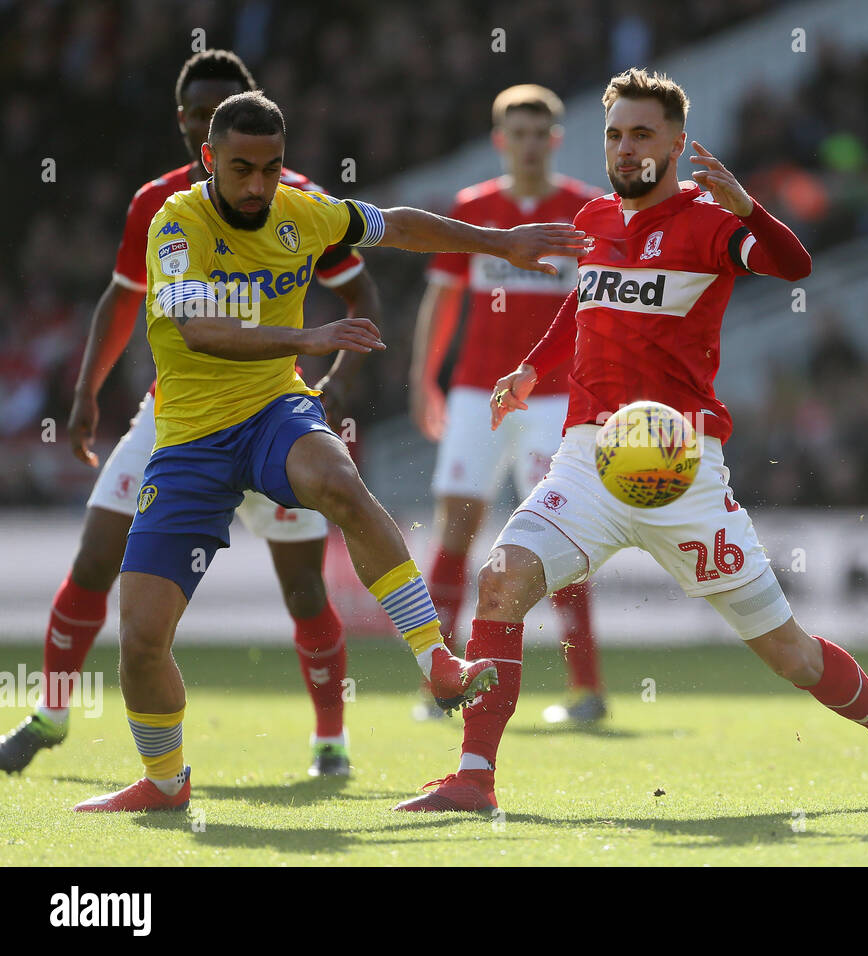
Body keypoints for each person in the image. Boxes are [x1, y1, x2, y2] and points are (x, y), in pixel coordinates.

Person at [395, 69, 868, 813]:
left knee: (791, 653)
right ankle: (474, 778)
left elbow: (792, 265)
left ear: (676, 142)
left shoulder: (707, 224)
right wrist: (529, 368)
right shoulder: (598, 222)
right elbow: (585, 304)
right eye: (614, 133)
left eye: (642, 133)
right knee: (503, 576)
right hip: (588, 460)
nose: (625, 147)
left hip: (684, 472)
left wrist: (750, 208)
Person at [72, 90, 585, 812]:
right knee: (141, 640)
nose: (258, 185)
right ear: (210, 160)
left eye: (272, 168)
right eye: (243, 169)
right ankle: (164, 783)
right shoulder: (176, 224)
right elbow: (197, 330)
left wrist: (500, 244)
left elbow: (397, 226)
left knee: (339, 482)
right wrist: (308, 340)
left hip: (272, 413)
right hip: (187, 440)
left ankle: (436, 660)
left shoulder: (302, 210)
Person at [0, 50, 375, 780]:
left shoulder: (294, 200)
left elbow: (366, 301)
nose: (212, 124)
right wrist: (85, 392)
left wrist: (330, 387)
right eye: (200, 114)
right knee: (95, 556)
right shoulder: (159, 204)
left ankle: (331, 739)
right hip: (172, 418)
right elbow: (122, 298)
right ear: (187, 126)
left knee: (302, 586)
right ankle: (49, 711)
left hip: (271, 413)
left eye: (226, 111)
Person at [409, 84, 606, 724]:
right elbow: (441, 300)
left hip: (555, 397)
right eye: (515, 134)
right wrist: (424, 378)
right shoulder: (473, 209)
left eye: (538, 134)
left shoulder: (583, 211)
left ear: (554, 139)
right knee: (457, 531)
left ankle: (586, 689)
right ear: (500, 141)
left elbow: (602, 305)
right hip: (474, 393)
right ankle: (441, 685)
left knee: (558, 534)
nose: (527, 145)